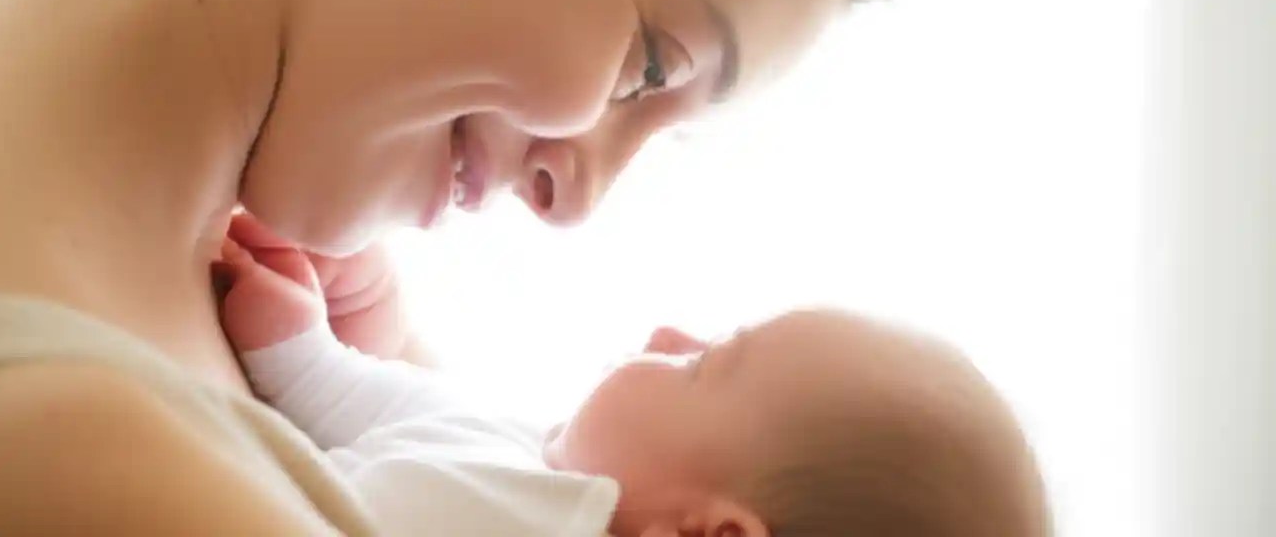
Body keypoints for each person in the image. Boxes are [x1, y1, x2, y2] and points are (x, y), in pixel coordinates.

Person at [0, 0, 904, 533]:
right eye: (649, 66)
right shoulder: (90, 454)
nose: (574, 201)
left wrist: (386, 367)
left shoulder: (192, 349)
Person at [219, 230, 1050, 536]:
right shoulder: (548, 465)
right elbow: (394, 410)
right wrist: (299, 346)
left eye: (703, 364)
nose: (664, 336)